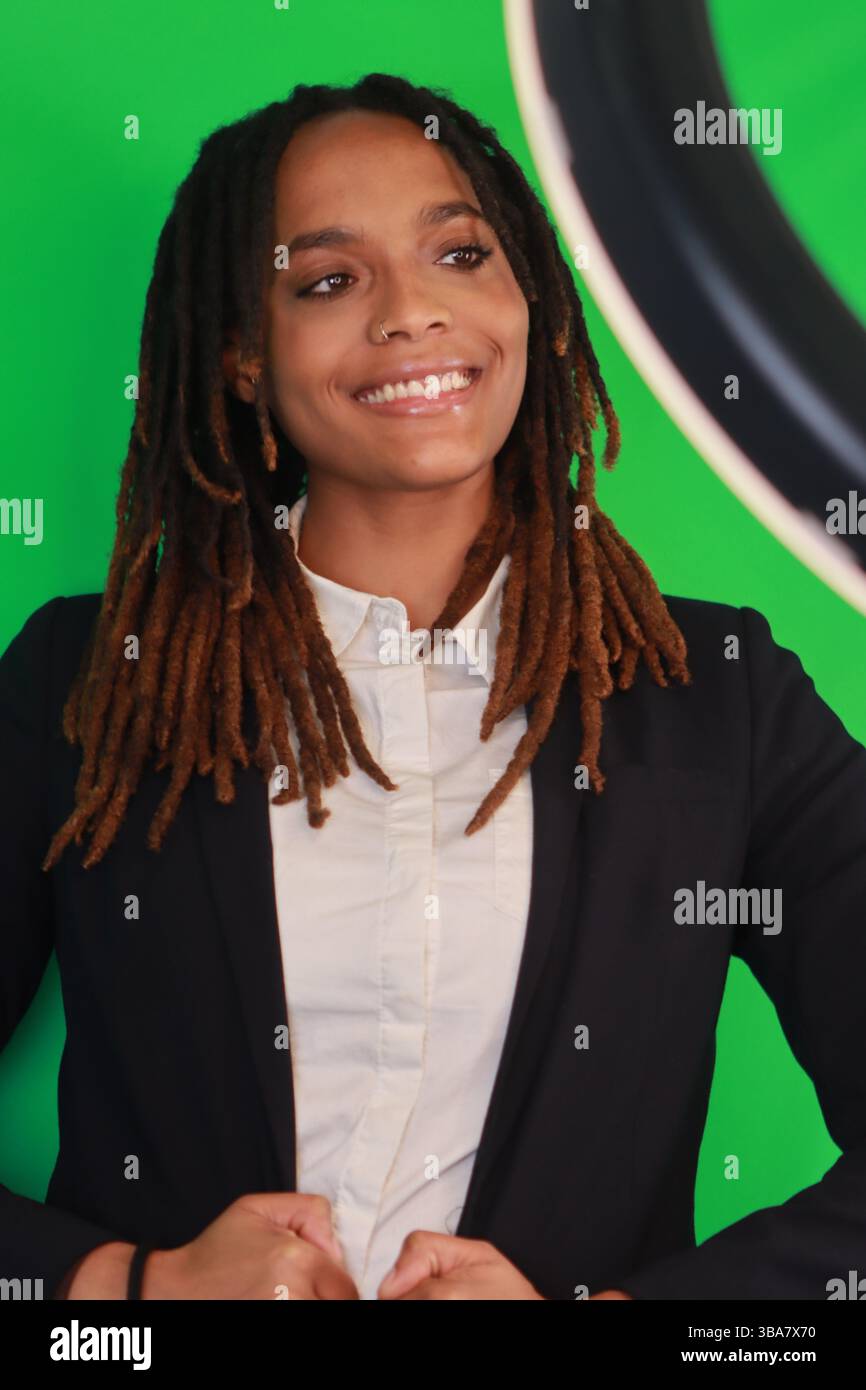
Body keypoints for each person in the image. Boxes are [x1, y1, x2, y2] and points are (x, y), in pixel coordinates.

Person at [2, 72, 865, 1302]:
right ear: (243, 358)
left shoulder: (716, 696)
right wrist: (125, 1290)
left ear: (529, 300)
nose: (409, 312)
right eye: (329, 280)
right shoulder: (88, 685)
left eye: (459, 252)